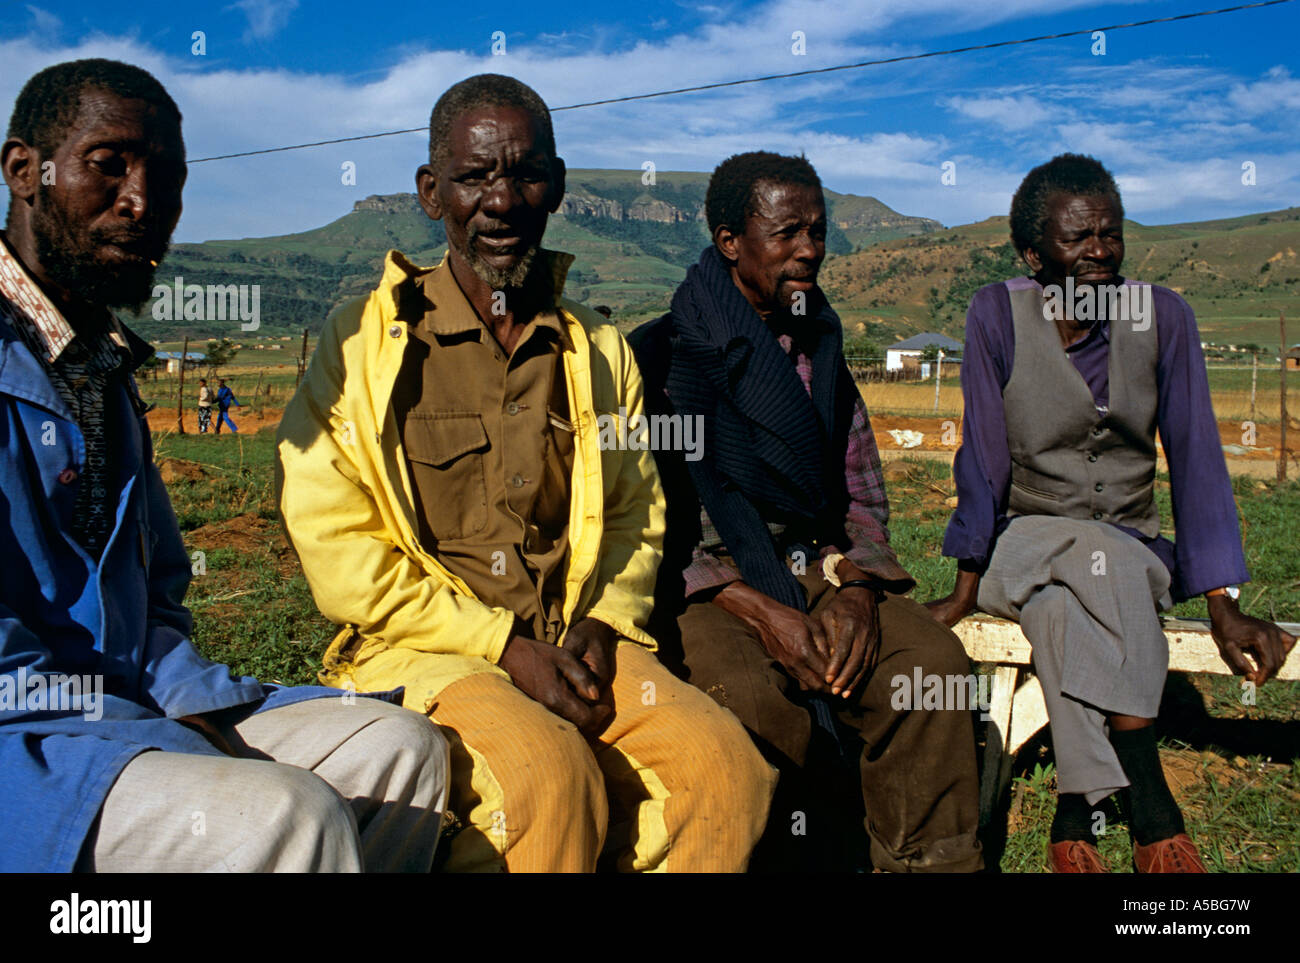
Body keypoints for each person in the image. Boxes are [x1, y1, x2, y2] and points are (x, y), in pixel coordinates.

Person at [277, 73, 775, 873]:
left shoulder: (597, 350)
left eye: (526, 174)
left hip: (579, 646)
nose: (502, 200)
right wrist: (504, 646)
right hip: (431, 654)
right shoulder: (360, 349)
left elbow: (634, 514)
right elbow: (342, 551)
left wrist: (606, 622)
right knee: (549, 777)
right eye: (475, 177)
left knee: (726, 770)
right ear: (432, 192)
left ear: (558, 187)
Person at [0, 58, 449, 873]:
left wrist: (183, 701)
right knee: (285, 817)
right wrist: (159, 731)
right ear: (24, 170)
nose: (143, 203)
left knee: (400, 750)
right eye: (110, 165)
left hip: (127, 707)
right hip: (23, 742)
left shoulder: (99, 362)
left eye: (165, 178)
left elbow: (159, 599)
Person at [927, 153, 1296, 873]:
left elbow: (1195, 458)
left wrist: (1222, 602)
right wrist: (966, 588)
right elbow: (984, 459)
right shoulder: (994, 315)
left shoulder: (1164, 317)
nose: (1099, 250)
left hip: (1132, 546)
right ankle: (1151, 800)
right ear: (1034, 254)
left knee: (1077, 598)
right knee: (1091, 564)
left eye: (1110, 233)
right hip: (1020, 546)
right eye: (1077, 238)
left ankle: (1077, 806)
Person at [630, 152, 983, 873]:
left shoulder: (822, 349)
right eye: (787, 232)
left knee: (931, 666)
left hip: (815, 565)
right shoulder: (661, 357)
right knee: (755, 701)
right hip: (708, 586)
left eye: (818, 232)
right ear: (730, 241)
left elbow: (861, 491)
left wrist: (856, 590)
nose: (809, 251)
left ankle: (924, 860)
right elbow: (646, 521)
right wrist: (763, 612)